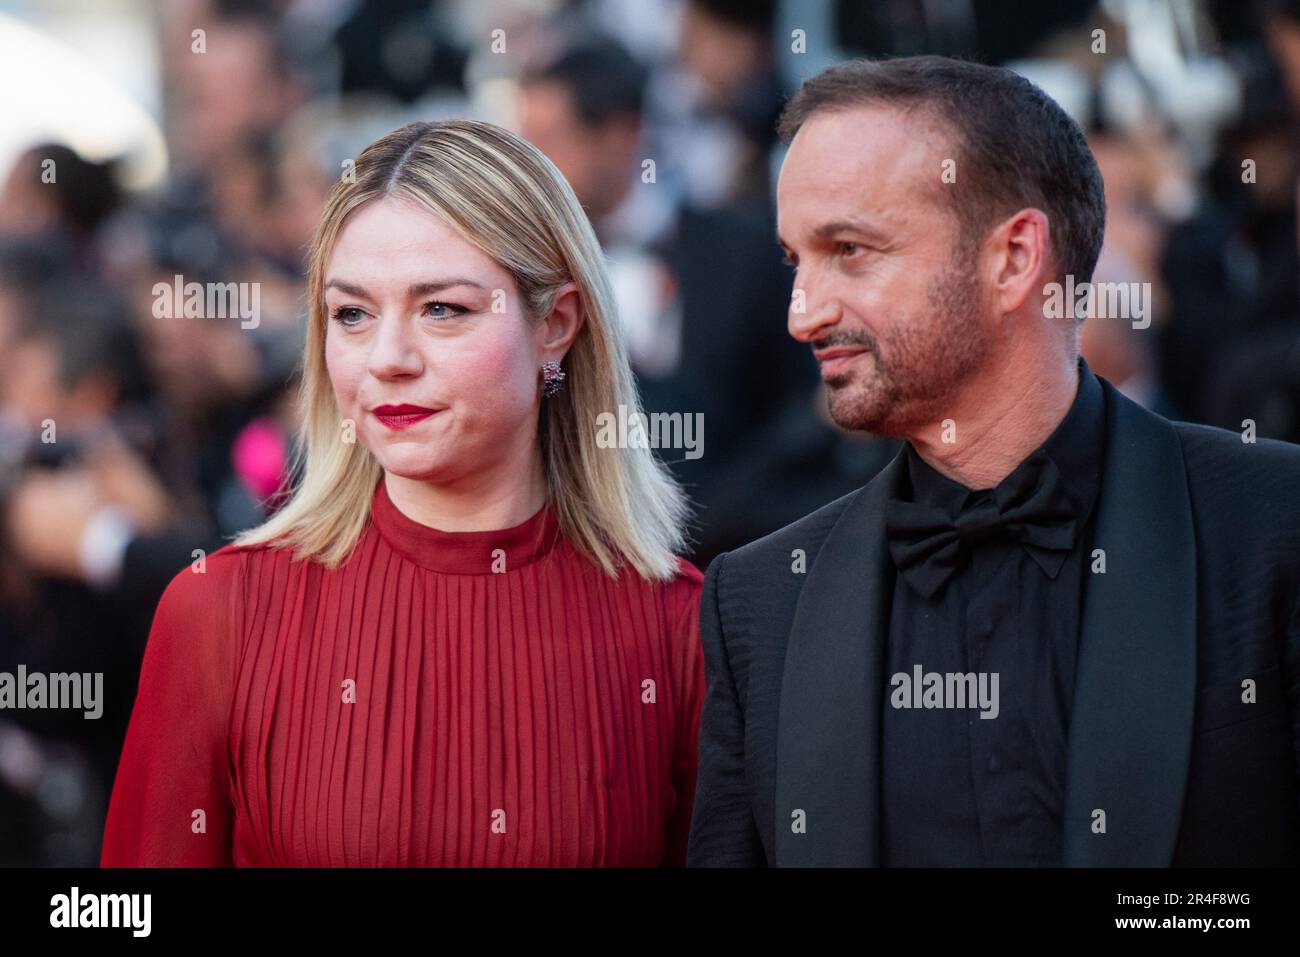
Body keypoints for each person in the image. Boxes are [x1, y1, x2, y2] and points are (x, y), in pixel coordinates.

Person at [687, 56, 1300, 867]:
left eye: (850, 250)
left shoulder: (1274, 524)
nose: (803, 313)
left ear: (1013, 258)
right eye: (796, 260)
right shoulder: (761, 603)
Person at [100, 120, 704, 867]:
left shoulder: (679, 629)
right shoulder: (220, 611)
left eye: (441, 308)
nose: (388, 358)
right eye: (352, 313)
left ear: (556, 324)